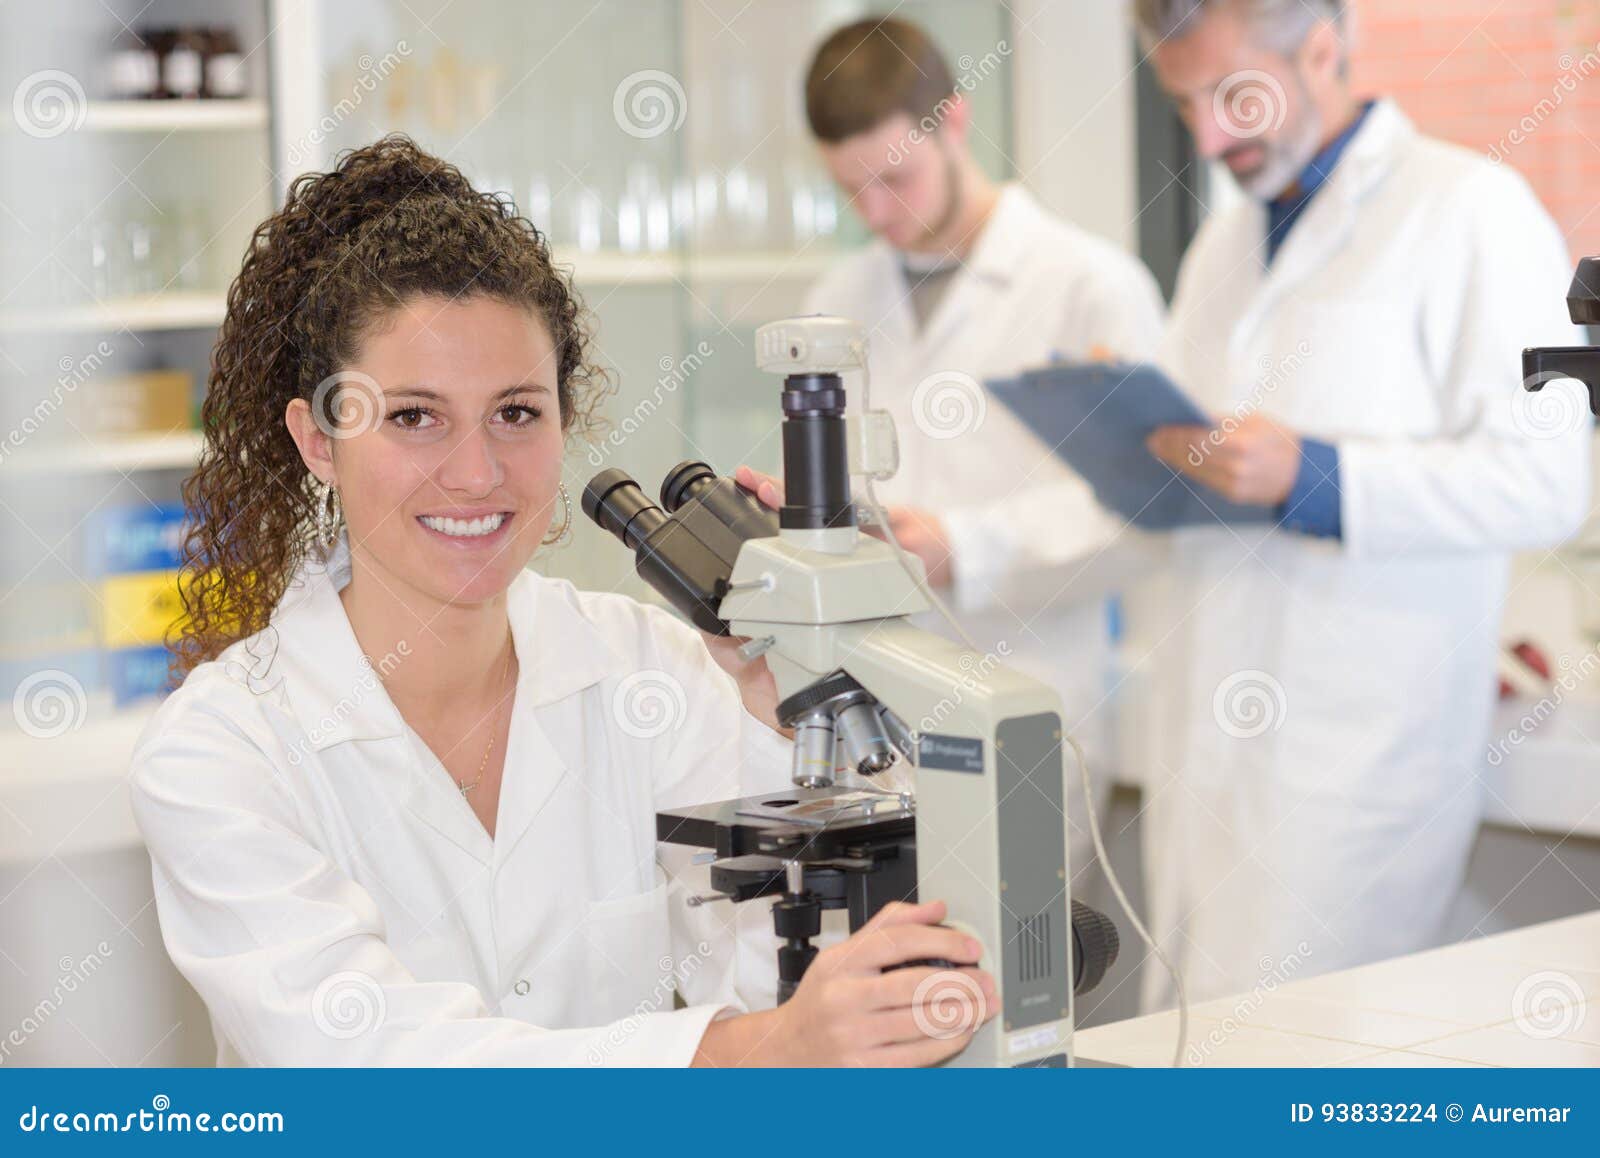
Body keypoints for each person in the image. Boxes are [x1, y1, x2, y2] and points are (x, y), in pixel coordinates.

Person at [129, 136, 996, 1066]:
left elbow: (806, 983)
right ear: (317, 441)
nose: (476, 473)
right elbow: (376, 1065)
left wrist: (779, 699)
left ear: (563, 422)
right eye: (414, 416)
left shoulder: (650, 670)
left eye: (516, 413)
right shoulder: (222, 749)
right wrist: (759, 1050)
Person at [1124, 0, 1590, 1008]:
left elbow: (1548, 481)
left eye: (1231, 94)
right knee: (1186, 1058)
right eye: (1183, 102)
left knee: (1304, 1061)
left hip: (1352, 767)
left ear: (1323, 48)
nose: (1207, 136)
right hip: (1209, 744)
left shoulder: (1471, 208)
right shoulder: (1221, 248)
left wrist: (1318, 477)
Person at [800, 17, 1168, 868]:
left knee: (1007, 942)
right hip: (872, 719)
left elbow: (1146, 511)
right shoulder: (836, 299)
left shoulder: (1089, 288)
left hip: (1029, 707)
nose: (877, 214)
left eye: (895, 179)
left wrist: (964, 547)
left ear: (955, 121)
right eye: (852, 191)